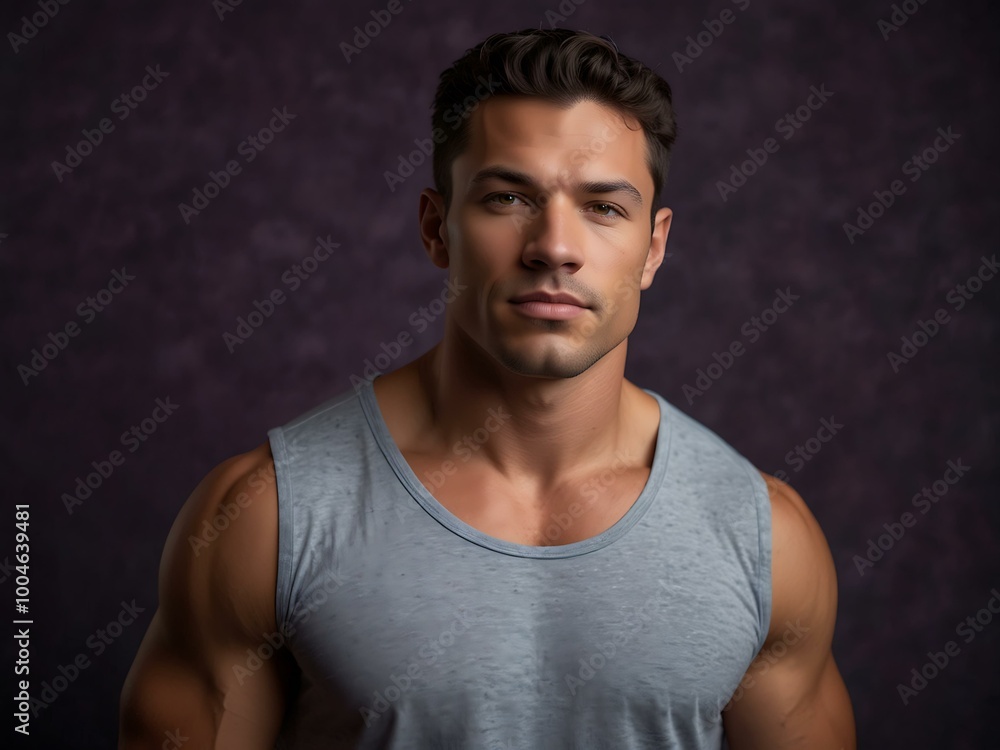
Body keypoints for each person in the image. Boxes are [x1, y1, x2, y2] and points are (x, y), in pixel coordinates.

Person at [119, 27, 856, 749]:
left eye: (603, 207)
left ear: (654, 246)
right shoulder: (267, 518)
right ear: (437, 228)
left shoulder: (764, 541)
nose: (555, 248)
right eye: (508, 198)